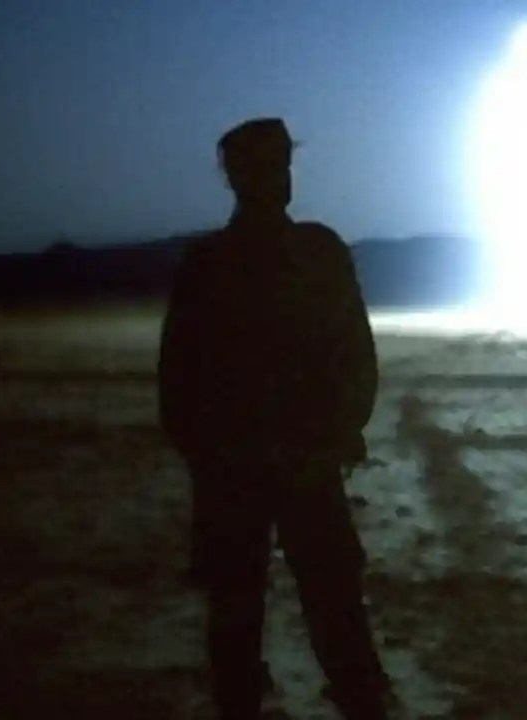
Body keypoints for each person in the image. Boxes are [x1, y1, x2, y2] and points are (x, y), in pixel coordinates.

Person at [158, 118, 389, 719]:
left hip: (305, 473)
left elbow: (355, 359)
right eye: (260, 166)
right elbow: (179, 383)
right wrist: (219, 457)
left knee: (339, 628)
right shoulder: (208, 266)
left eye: (281, 163)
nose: (274, 178)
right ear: (235, 177)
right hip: (237, 479)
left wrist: (332, 438)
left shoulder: (318, 254)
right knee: (238, 638)